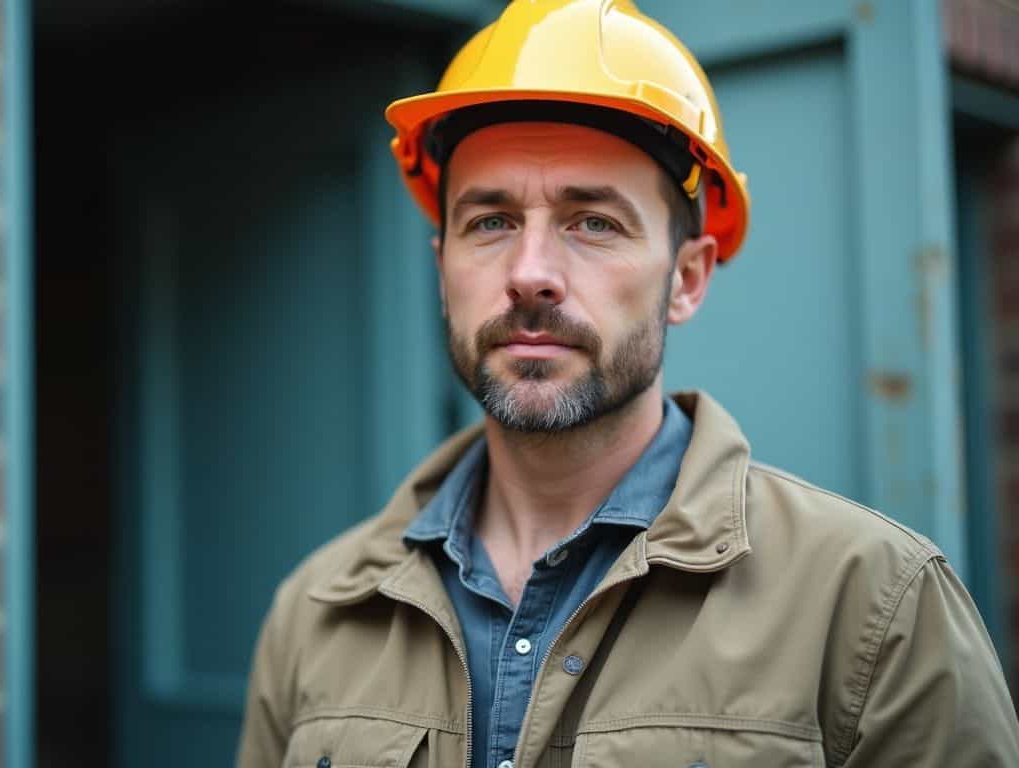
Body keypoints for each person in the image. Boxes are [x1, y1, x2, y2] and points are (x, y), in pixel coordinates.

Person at [236, 1, 1019, 765]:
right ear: (443, 271)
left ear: (686, 279)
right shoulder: (315, 613)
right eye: (491, 222)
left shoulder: (875, 607)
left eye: (593, 222)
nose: (531, 275)